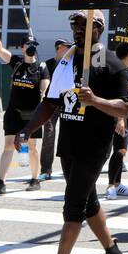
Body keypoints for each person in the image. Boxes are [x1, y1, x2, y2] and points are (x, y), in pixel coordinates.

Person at [14, 9, 128, 254]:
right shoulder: (65, 60)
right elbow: (50, 102)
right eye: (76, 24)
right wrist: (27, 129)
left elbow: (126, 107)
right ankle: (113, 253)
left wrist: (96, 101)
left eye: (86, 25)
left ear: (101, 29)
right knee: (88, 201)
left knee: (73, 205)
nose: (79, 29)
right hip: (69, 142)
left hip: (95, 144)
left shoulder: (112, 63)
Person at [0, 21, 48, 194]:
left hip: (32, 114)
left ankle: (35, 179)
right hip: (14, 112)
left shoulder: (42, 68)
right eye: (28, 44)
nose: (31, 47)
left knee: (31, 147)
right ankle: (1, 182)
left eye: (33, 44)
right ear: (22, 48)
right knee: (8, 145)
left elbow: (45, 87)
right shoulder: (16, 63)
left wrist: (43, 96)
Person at [105, 44, 128, 199]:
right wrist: (120, 119)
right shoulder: (118, 71)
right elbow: (117, 97)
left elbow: (127, 95)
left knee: (122, 150)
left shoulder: (126, 72)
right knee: (118, 150)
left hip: (126, 116)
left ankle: (117, 184)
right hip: (118, 116)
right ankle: (111, 186)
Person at [39, 38, 71, 180]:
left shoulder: (70, 63)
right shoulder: (47, 64)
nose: (69, 49)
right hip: (50, 105)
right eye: (66, 47)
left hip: (67, 105)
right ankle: (46, 169)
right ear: (59, 48)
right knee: (49, 136)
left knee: (68, 136)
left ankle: (69, 168)